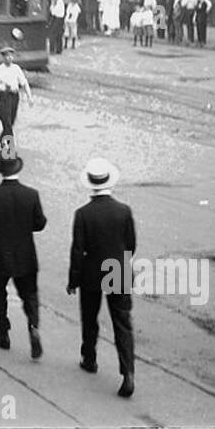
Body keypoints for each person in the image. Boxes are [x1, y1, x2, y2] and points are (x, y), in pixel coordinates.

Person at [66, 158, 136, 397]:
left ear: (91, 185)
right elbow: (131, 245)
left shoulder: (83, 214)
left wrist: (73, 280)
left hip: (91, 272)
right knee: (122, 323)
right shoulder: (124, 211)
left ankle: (89, 358)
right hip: (118, 269)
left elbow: (77, 250)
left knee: (90, 317)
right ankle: (128, 373)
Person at [0, 147, 46, 359]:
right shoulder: (31, 195)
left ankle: (3, 333)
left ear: (0, 171)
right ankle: (33, 326)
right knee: (29, 295)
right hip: (25, 254)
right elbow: (40, 223)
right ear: (18, 168)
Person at [0, 46, 33, 143]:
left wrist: (29, 97)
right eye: (7, 56)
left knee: (11, 121)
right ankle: (9, 149)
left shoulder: (16, 68)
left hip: (14, 97)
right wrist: (2, 87)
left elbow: (24, 83)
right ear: (3, 57)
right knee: (7, 122)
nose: (9, 58)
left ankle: (2, 137)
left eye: (11, 56)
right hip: (3, 98)